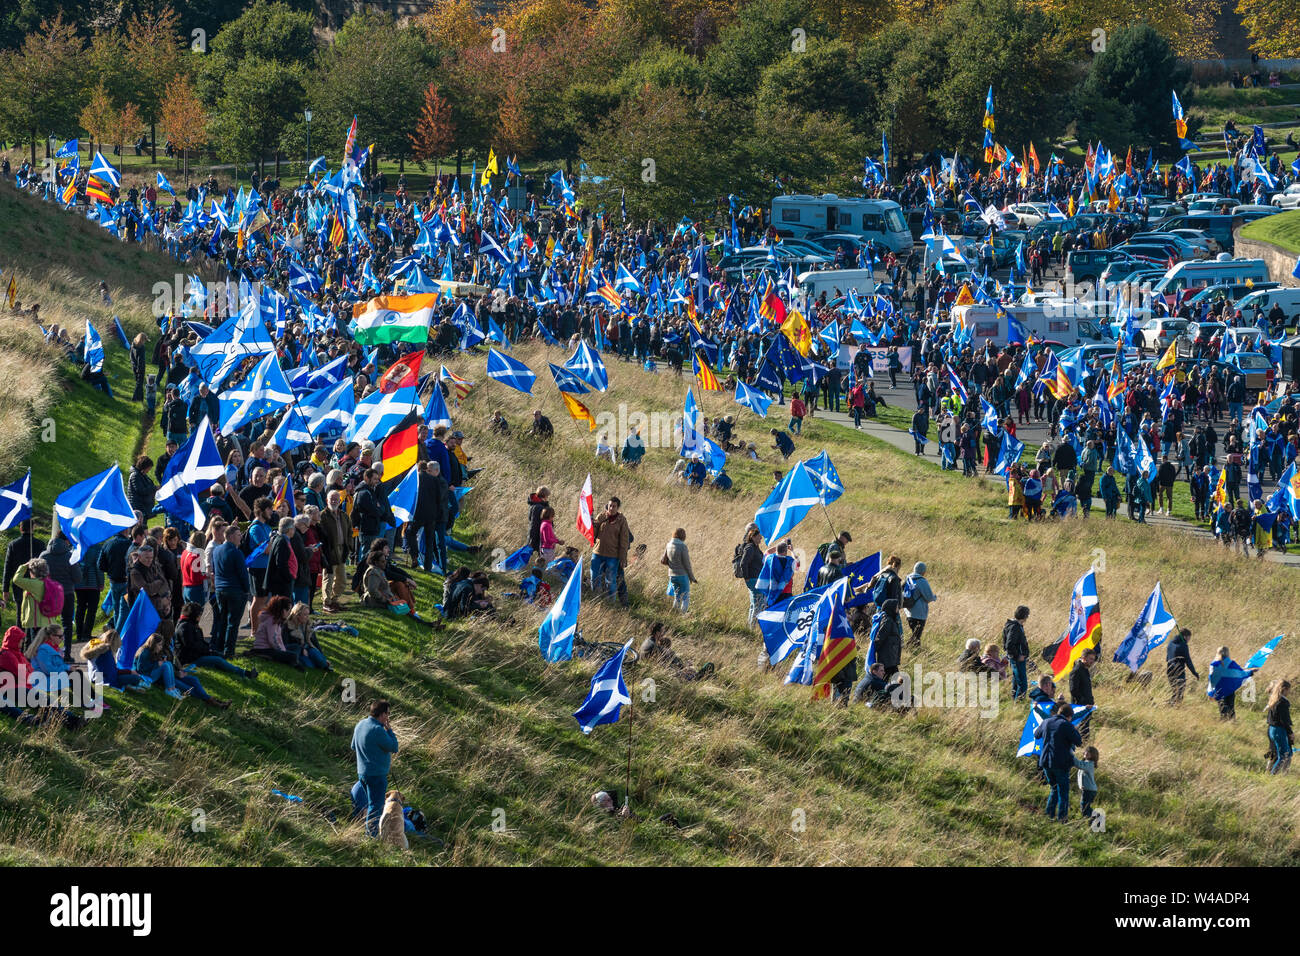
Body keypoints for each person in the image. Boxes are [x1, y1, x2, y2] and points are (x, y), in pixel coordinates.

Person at [351, 699, 400, 838]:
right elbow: (394, 747)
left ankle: (366, 830)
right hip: (377, 775)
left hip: (362, 773)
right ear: (383, 714)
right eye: (388, 714)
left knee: (370, 803)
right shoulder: (378, 730)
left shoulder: (360, 725)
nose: (388, 717)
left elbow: (353, 746)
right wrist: (389, 730)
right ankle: (371, 837)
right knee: (375, 807)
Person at [175, 602, 257, 678]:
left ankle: (232, 669)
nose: (200, 617)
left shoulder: (190, 624)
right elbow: (192, 646)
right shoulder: (184, 627)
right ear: (194, 615)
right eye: (199, 614)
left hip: (196, 655)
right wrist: (208, 651)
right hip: (189, 660)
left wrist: (210, 649)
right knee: (217, 660)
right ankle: (245, 673)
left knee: (219, 656)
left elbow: (199, 643)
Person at [1034, 701, 1083, 822]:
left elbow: (1036, 734)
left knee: (1054, 788)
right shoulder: (1067, 725)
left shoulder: (1046, 721)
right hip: (1061, 763)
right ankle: (1062, 819)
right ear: (1069, 716)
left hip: (1046, 762)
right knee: (1063, 792)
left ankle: (1049, 814)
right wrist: (1075, 729)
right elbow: (1079, 742)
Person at [211, 524, 250, 659]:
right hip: (235, 590)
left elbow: (215, 570)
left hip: (220, 589)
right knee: (233, 622)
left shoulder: (217, 550)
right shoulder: (236, 552)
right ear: (232, 536)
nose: (241, 538)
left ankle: (219, 648)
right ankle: (229, 651)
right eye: (239, 535)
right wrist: (246, 590)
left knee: (223, 620)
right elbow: (242, 574)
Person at [318, 490, 353, 613]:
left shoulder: (343, 515)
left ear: (340, 501)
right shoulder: (322, 516)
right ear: (327, 500)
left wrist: (349, 546)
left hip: (342, 549)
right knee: (328, 577)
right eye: (331, 499)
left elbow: (349, 531)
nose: (334, 501)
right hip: (329, 550)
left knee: (342, 580)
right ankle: (326, 602)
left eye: (336, 499)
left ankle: (334, 600)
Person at [591, 497, 630, 602]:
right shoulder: (601, 516)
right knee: (594, 577)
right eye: (610, 505)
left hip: (612, 556)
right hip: (597, 552)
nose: (611, 508)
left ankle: (610, 602)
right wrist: (592, 525)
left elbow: (624, 541)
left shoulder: (622, 520)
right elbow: (593, 534)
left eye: (614, 506)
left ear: (618, 507)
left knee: (610, 580)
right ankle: (595, 599)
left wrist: (623, 558)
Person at [251, 595, 304, 669]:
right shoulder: (271, 621)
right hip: (263, 649)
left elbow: (279, 639)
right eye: (288, 610)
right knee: (292, 656)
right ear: (282, 610)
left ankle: (294, 662)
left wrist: (283, 650)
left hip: (271, 648)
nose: (289, 613)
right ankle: (294, 663)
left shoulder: (277, 620)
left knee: (296, 647)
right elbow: (273, 641)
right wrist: (282, 651)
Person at [663, 528, 697, 614]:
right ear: (683, 536)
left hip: (672, 575)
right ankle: (682, 615)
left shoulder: (668, 544)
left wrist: (672, 565)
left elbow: (662, 560)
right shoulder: (683, 546)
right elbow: (687, 564)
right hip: (682, 575)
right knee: (685, 597)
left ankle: (675, 614)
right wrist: (692, 577)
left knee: (677, 596)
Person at [901, 562, 935, 649]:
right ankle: (908, 650)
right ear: (923, 571)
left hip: (908, 611)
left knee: (915, 634)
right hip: (919, 613)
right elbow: (929, 597)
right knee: (916, 636)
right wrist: (934, 597)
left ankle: (916, 652)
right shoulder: (922, 581)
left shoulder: (908, 578)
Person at [1003, 605, 1031, 701]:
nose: (1027, 618)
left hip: (1015, 658)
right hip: (1017, 659)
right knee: (1023, 683)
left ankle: (1014, 700)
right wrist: (1017, 656)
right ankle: (1019, 702)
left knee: (1016, 680)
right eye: (1027, 615)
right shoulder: (1015, 627)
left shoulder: (1013, 625)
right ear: (1024, 616)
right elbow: (1009, 644)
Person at [1165, 627, 1199, 704]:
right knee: (1179, 694)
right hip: (1179, 671)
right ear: (1185, 636)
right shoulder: (1183, 645)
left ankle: (1170, 706)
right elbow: (1188, 661)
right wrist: (1194, 673)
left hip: (1169, 669)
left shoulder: (1171, 642)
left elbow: (1167, 657)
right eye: (1189, 638)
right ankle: (1173, 709)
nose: (1189, 640)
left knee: (1175, 692)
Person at [1265, 680, 1293, 774]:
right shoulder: (1283, 702)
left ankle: (1279, 773)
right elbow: (1284, 720)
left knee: (1281, 753)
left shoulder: (1274, 699)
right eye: (1289, 690)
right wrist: (1290, 732)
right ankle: (1273, 775)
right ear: (1284, 689)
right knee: (1283, 755)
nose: (1289, 692)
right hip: (1279, 730)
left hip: (1272, 729)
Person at [1208, 646, 1240, 720]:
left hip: (1220, 689)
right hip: (1230, 689)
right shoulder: (1231, 663)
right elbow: (1238, 673)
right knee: (1231, 706)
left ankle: (1224, 721)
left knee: (1222, 705)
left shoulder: (1215, 664)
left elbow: (1212, 678)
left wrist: (1211, 691)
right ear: (1228, 653)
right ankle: (1232, 721)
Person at [1074, 745, 1100, 820]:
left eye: (1089, 752)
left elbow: (1078, 765)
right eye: (1086, 751)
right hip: (1087, 790)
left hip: (1089, 790)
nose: (1086, 752)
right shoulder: (1085, 762)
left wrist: (1071, 756)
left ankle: (1096, 817)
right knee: (1085, 807)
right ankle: (1093, 818)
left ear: (1093, 755)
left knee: (1084, 808)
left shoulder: (1089, 764)